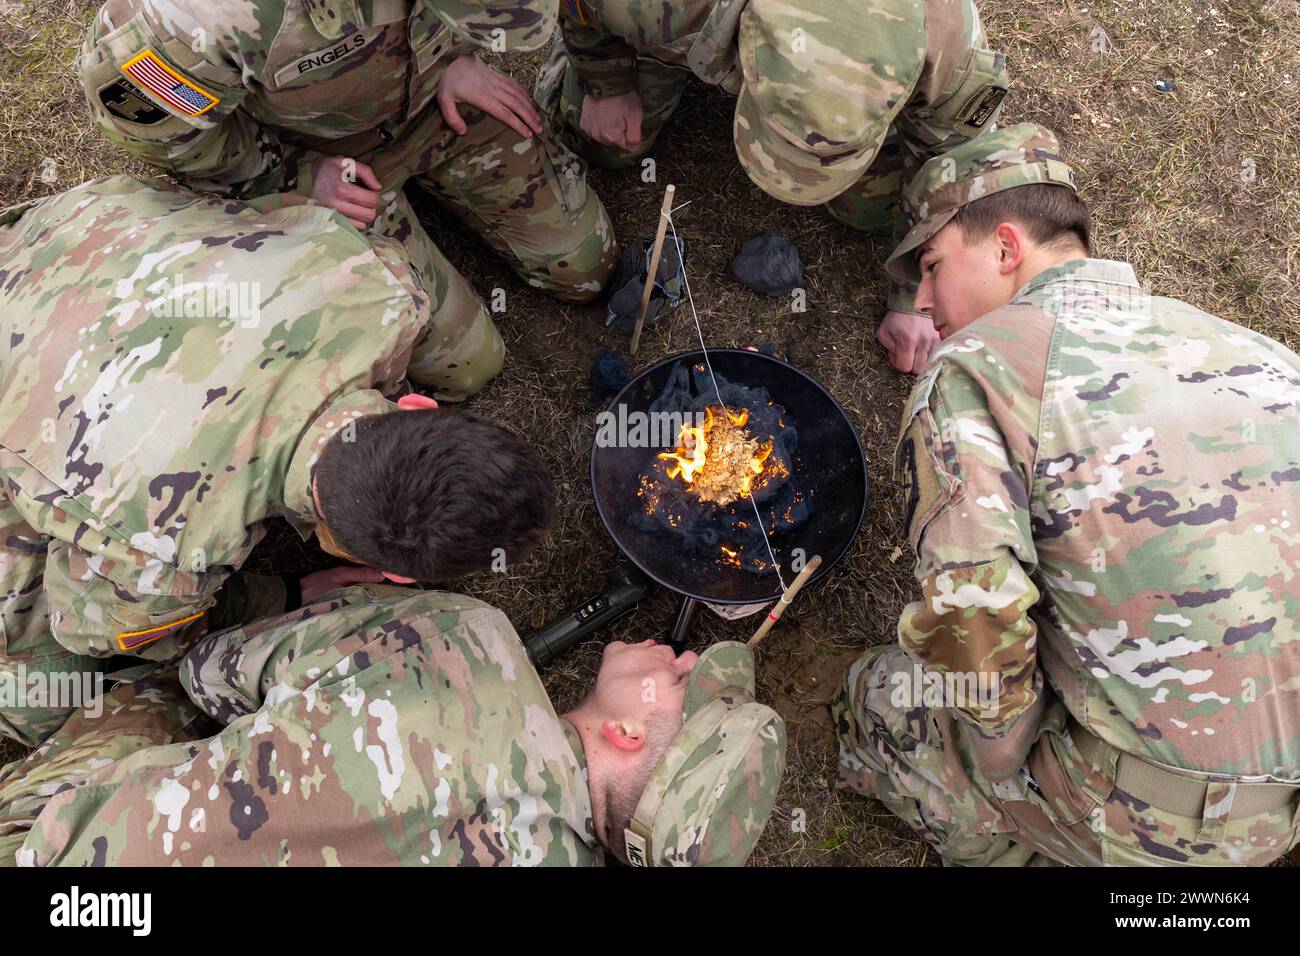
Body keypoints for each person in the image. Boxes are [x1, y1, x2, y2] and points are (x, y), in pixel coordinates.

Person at [834, 123, 1300, 865]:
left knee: (879, 695)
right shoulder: (1267, 356)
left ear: (1006, 249)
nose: (922, 300)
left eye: (931, 264)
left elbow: (973, 621)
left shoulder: (976, 368)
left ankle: (1021, 840)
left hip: (1138, 818)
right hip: (1283, 816)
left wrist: (998, 764)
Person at [0, 176, 555, 747]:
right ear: (395, 577)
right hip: (25, 307)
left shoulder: (382, 290)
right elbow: (85, 623)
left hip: (81, 225)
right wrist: (281, 598)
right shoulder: (161, 560)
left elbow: (285, 218)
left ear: (417, 404)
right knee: (37, 703)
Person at [0, 584, 785, 866]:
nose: (682, 660)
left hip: (56, 853)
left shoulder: (466, 640)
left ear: (628, 736)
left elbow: (212, 669)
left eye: (687, 685)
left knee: (159, 696)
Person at [79, 0, 619, 374]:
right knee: (468, 365)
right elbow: (161, 135)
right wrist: (292, 175)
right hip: (311, 153)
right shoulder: (201, 18)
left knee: (585, 267)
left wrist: (456, 55)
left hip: (436, 99)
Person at [535, 0, 1008, 373]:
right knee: (603, 144)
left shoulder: (949, 47)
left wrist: (916, 299)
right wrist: (605, 84)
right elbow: (582, 7)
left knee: (868, 210)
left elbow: (950, 174)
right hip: (678, 27)